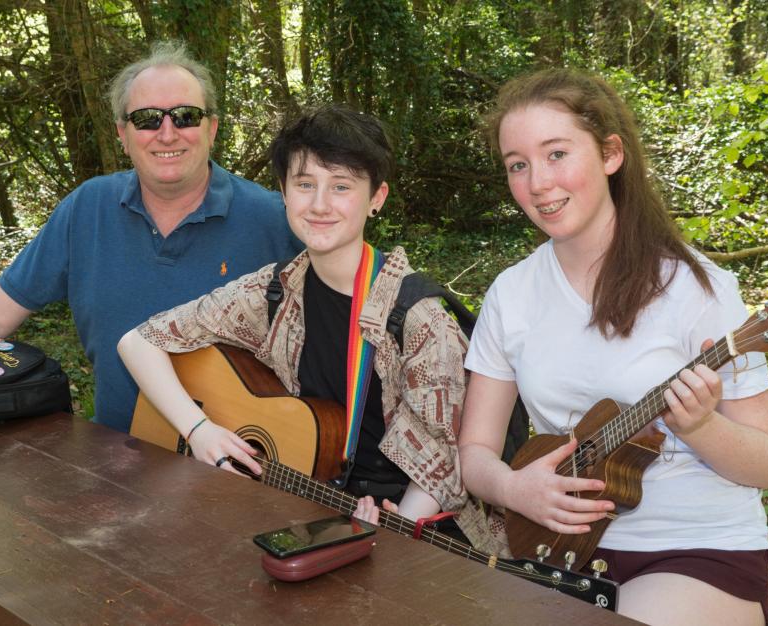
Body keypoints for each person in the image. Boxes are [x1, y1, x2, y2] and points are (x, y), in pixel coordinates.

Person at [458, 69, 768, 625]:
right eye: (518, 164)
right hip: (562, 549)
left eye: (557, 153)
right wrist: (514, 489)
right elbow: (474, 455)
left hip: (696, 549)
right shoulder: (511, 294)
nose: (538, 182)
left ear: (611, 154)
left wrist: (701, 426)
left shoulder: (696, 287)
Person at [118, 104, 501, 553]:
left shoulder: (418, 319)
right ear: (283, 192)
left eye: (341, 186)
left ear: (376, 197)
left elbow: (442, 467)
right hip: (301, 504)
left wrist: (388, 531)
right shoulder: (273, 291)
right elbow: (138, 341)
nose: (319, 205)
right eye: (304, 184)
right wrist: (200, 431)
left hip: (413, 532)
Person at [0, 41, 301, 432]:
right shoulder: (87, 207)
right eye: (147, 119)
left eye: (186, 116)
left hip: (240, 467)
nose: (167, 132)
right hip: (114, 459)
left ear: (211, 129)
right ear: (123, 135)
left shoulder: (276, 218)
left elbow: (348, 330)